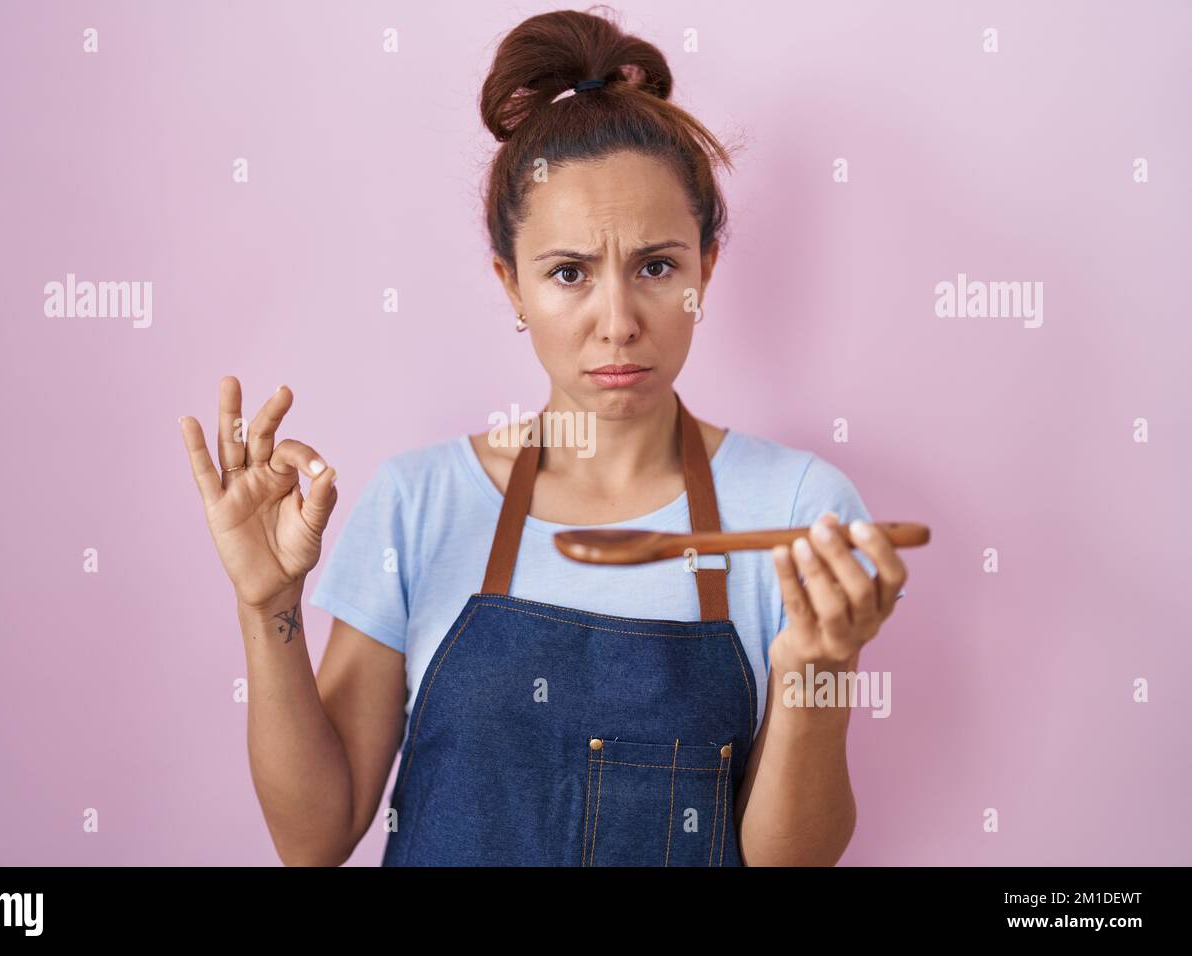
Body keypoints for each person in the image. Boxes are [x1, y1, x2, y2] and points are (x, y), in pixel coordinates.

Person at [179, 8, 909, 867]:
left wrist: (817, 672)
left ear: (706, 269)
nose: (617, 322)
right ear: (511, 286)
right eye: (569, 273)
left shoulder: (797, 511)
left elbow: (793, 863)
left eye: (657, 266)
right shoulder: (420, 503)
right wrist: (267, 608)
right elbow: (313, 838)